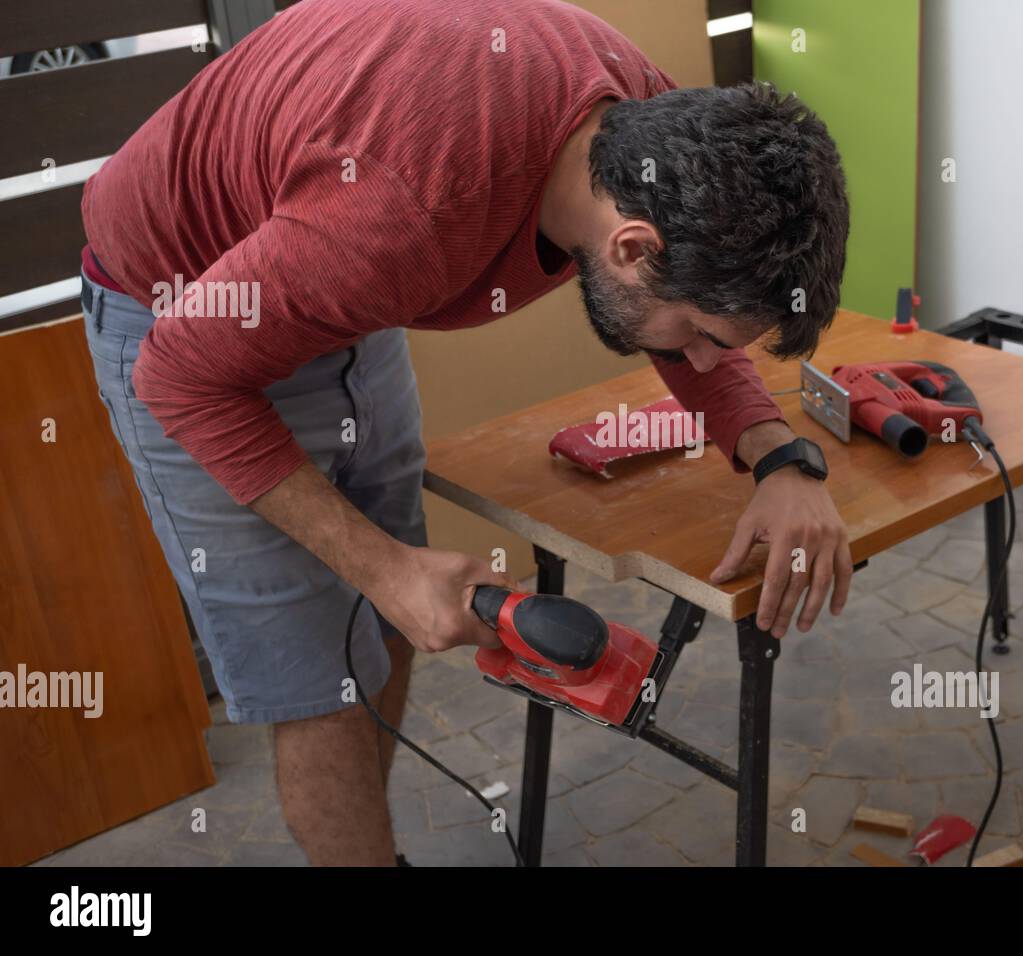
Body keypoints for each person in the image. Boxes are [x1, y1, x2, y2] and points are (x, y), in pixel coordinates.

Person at [79, 0, 850, 865]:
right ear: (632, 249)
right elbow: (181, 375)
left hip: (324, 288)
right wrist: (382, 567)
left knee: (386, 627)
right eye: (707, 338)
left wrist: (778, 455)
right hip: (178, 316)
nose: (709, 366)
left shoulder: (647, 129)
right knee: (321, 686)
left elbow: (685, 308)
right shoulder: (397, 216)